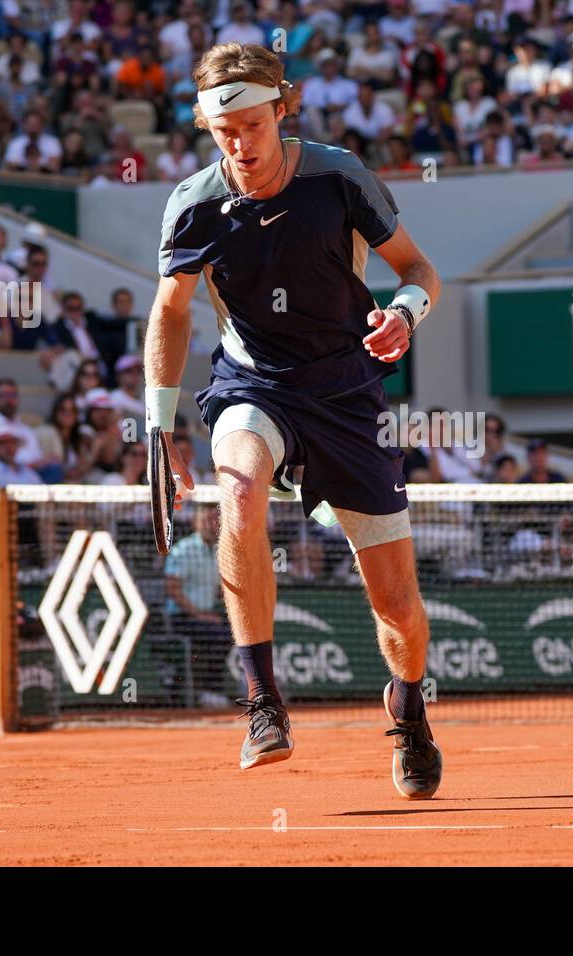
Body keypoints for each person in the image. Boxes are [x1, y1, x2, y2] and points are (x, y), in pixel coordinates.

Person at [147, 42, 443, 796]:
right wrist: (158, 425)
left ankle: (408, 710)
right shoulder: (193, 204)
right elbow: (172, 309)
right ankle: (262, 703)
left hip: (348, 395)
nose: (241, 145)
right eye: (224, 133)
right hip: (254, 384)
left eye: (252, 124)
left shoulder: (340, 177)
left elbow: (418, 270)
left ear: (284, 108)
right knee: (239, 490)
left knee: (400, 615)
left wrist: (406, 315)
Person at [164, 504, 234, 708]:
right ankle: (209, 689)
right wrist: (198, 615)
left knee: (231, 632)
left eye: (215, 521)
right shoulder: (183, 550)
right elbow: (173, 589)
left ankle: (209, 689)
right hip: (182, 618)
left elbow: (220, 590)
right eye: (206, 520)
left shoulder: (219, 551)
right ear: (195, 522)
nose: (212, 525)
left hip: (207, 616)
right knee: (218, 634)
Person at [0, 378, 60, 482]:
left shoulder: (26, 430)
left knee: (54, 468)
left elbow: (36, 458)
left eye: (13, 395)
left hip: (28, 479)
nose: (9, 400)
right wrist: (20, 466)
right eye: (4, 395)